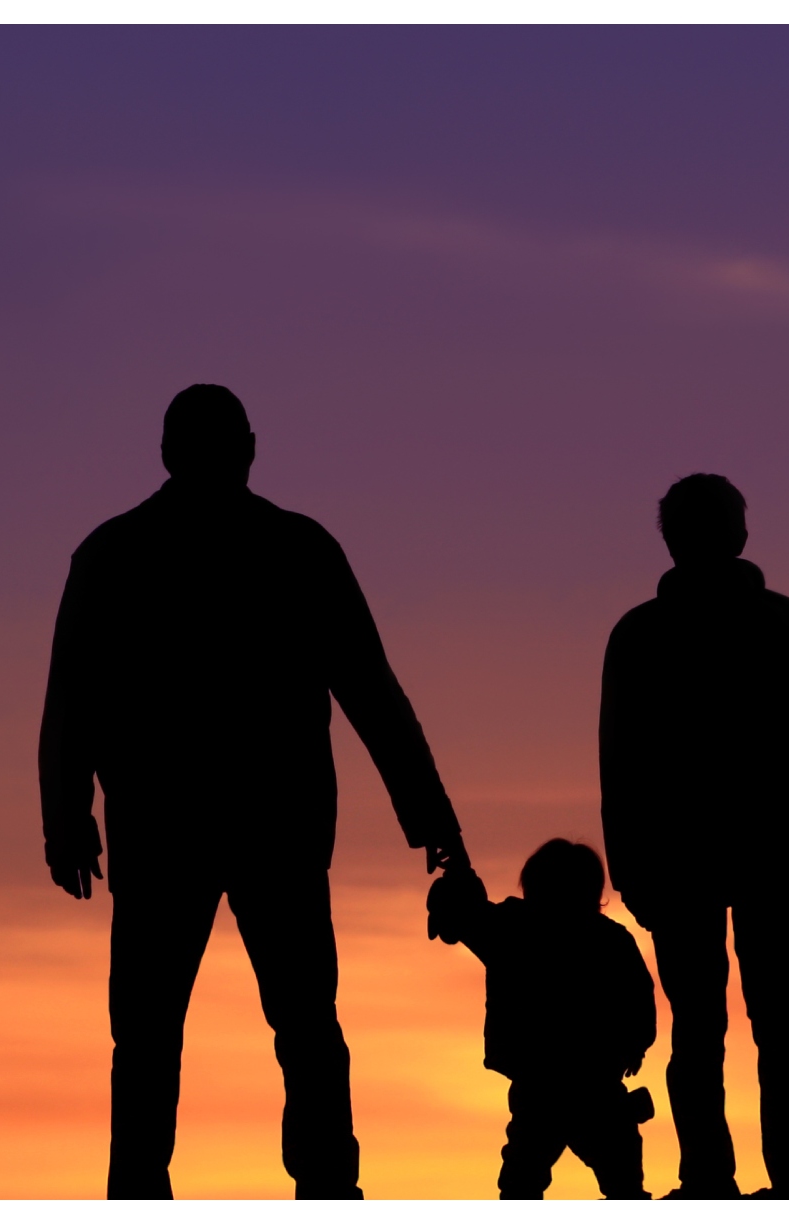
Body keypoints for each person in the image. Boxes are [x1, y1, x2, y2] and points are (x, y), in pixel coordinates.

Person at [37, 384, 467, 1199]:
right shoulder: (290, 547)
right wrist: (430, 818)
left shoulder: (122, 551)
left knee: (167, 1033)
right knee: (293, 1027)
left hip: (184, 825)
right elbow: (372, 693)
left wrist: (67, 815)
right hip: (264, 823)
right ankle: (319, 1190)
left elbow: (73, 699)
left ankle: (160, 1190)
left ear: (169, 452)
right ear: (250, 447)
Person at [598, 473, 789, 1197]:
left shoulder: (641, 635)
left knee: (705, 1027)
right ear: (740, 534)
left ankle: (713, 1176)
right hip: (759, 850)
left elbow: (617, 766)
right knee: (776, 1021)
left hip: (684, 858)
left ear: (672, 539)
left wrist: (631, 867)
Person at [427, 839, 658, 1199]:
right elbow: (640, 1003)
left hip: (539, 1083)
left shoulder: (513, 929)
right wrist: (634, 1046)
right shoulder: (611, 940)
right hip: (596, 1084)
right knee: (622, 1180)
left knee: (523, 1181)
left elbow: (467, 918)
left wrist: (457, 886)